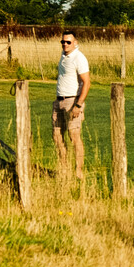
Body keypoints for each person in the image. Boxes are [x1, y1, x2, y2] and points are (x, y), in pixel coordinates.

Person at [54, 31, 90, 179]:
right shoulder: (64, 55)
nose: (65, 44)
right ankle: (64, 169)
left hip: (72, 100)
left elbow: (86, 82)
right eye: (63, 42)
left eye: (68, 42)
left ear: (75, 43)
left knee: (74, 136)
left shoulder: (79, 58)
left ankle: (78, 171)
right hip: (59, 100)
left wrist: (79, 104)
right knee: (57, 136)